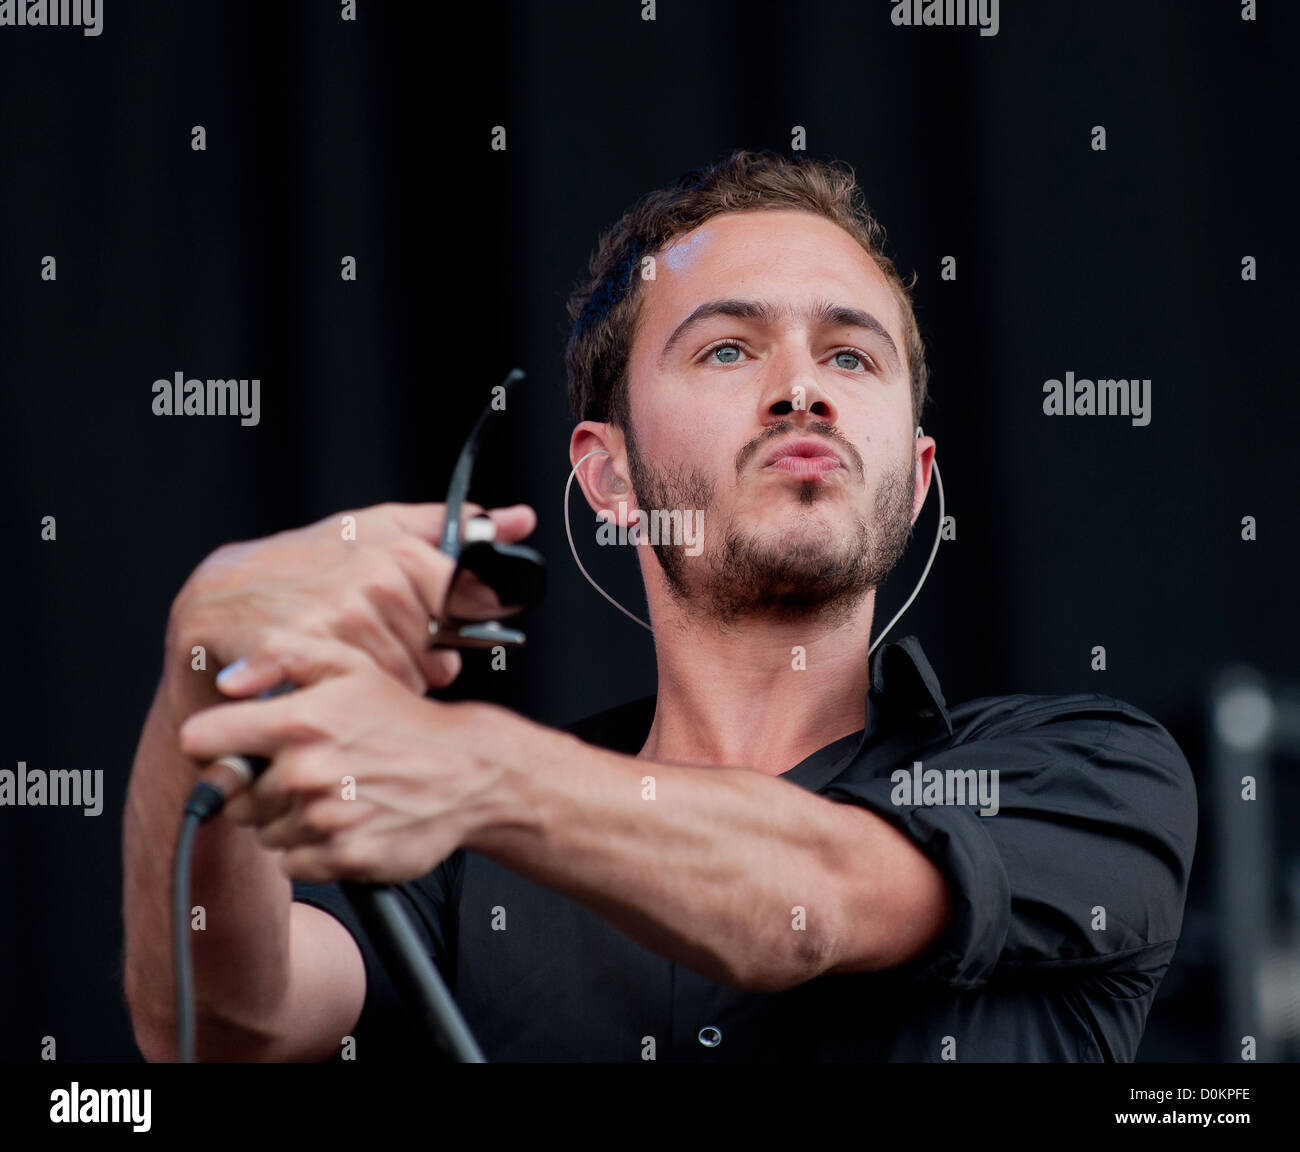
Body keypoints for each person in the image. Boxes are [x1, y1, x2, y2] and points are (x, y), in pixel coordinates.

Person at [122, 149, 1196, 1062]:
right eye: (729, 348)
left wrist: (473, 771)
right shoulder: (455, 862)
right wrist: (205, 675)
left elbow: (803, 901)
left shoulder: (1092, 775)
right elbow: (216, 1032)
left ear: (915, 480)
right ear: (610, 477)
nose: (800, 389)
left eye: (850, 354)